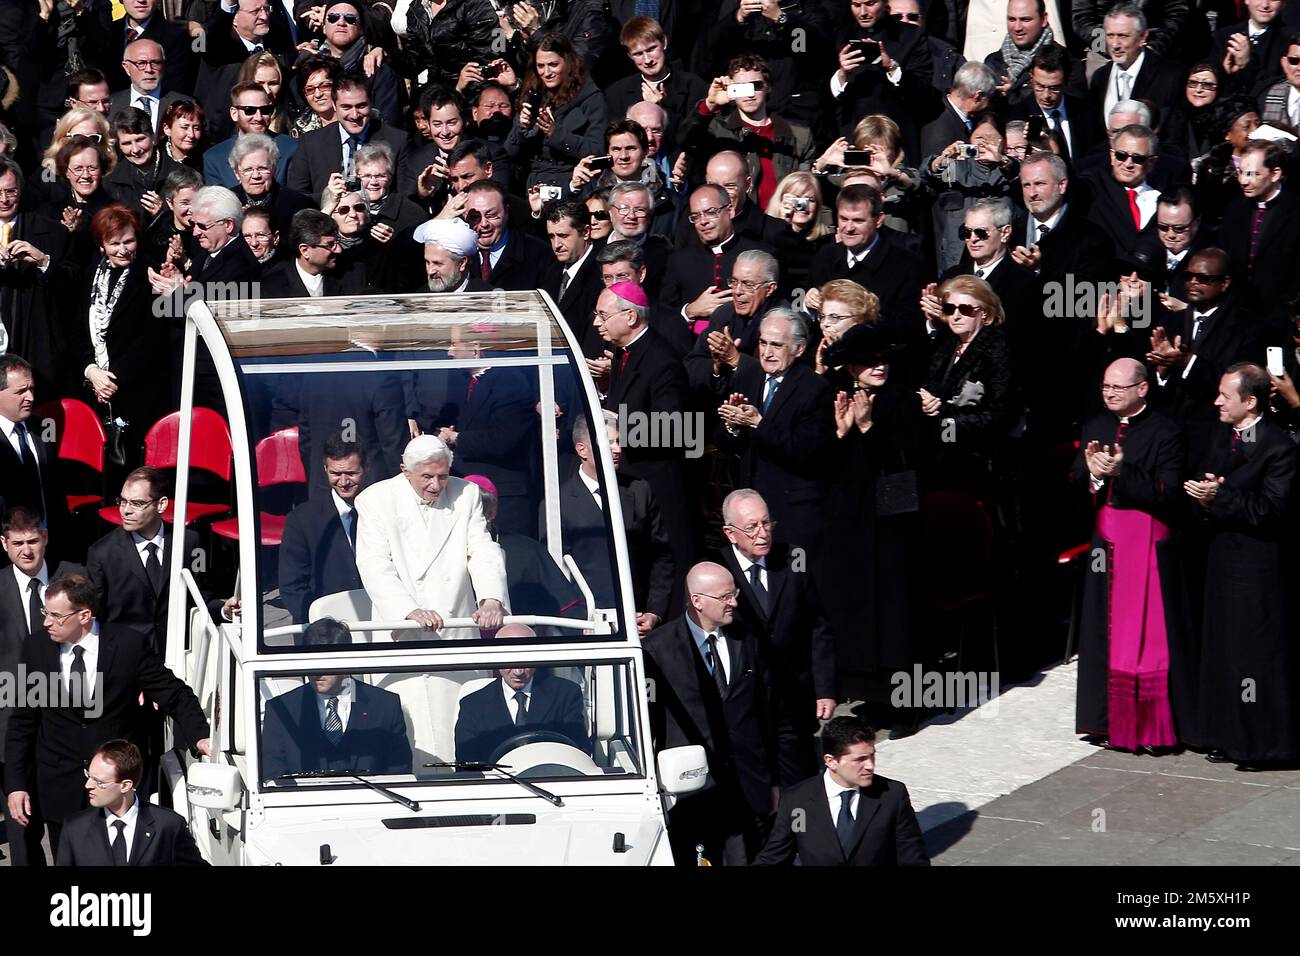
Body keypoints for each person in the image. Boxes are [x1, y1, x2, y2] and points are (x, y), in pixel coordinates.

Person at [4, 574, 210, 860]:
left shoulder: (127, 645)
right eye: (45, 613)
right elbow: (22, 721)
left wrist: (201, 736)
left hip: (117, 786)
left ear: (84, 615)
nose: (46, 622)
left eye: (55, 615)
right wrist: (15, 785)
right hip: (60, 786)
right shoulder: (36, 648)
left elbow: (173, 693)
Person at [1072, 359, 1192, 753]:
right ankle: (1106, 721)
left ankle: (1150, 728)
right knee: (1101, 633)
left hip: (1146, 543)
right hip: (1107, 541)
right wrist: (1092, 474)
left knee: (1148, 636)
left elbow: (1168, 492)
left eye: (1118, 388)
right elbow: (1076, 478)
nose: (1108, 393)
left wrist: (1122, 472)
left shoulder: (1167, 432)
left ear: (1142, 389)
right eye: (1105, 386)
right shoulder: (1096, 425)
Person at [1185, 363, 1300, 769]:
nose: (1216, 401)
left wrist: (1221, 496)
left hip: (1257, 568)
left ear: (1250, 402)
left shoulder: (1279, 449)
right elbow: (1210, 485)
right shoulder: (1221, 438)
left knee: (1254, 656)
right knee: (1222, 652)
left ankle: (1260, 744)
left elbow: (1272, 511)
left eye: (1225, 395)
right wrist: (1201, 497)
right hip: (1221, 560)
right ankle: (1224, 734)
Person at [818, 324, 925, 728]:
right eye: (869, 361)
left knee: (895, 613)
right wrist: (843, 433)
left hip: (894, 521)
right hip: (852, 521)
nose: (879, 367)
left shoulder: (902, 400)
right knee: (859, 610)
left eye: (883, 359)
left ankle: (906, 706)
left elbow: (905, 461)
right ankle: (869, 692)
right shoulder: (835, 397)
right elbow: (823, 462)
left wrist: (868, 429)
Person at [642, 561, 778, 866]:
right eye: (725, 597)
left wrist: (772, 780)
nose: (734, 602)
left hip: (746, 786)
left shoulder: (748, 639)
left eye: (734, 593)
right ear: (697, 601)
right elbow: (649, 723)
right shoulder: (658, 650)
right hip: (691, 789)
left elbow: (765, 715)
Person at [715, 489, 835, 784]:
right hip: (744, 705)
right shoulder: (715, 570)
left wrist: (825, 688)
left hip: (792, 699)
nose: (762, 533)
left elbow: (818, 626)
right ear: (731, 534)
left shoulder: (793, 559)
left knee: (802, 785)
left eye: (767, 523)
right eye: (752, 527)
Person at [354, 434, 508, 638]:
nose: (436, 485)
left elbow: (482, 551)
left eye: (442, 476)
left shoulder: (467, 494)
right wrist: (409, 611)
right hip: (402, 626)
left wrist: (490, 598)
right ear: (406, 471)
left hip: (456, 627)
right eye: (426, 477)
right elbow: (374, 565)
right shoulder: (374, 500)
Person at [0, 506, 84, 866]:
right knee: (22, 830)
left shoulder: (77, 580)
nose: (27, 550)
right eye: (17, 543)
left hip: (66, 721)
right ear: (4, 544)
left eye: (33, 540)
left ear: (46, 538)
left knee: (71, 831)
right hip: (10, 723)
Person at [716, 309, 836, 551]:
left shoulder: (815, 389)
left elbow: (807, 453)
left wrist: (759, 424)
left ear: (799, 349)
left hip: (792, 510)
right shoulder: (749, 376)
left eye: (777, 345)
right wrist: (732, 426)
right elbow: (724, 443)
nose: (767, 352)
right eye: (762, 342)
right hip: (752, 508)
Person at [546, 411, 674, 633]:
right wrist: (579, 621)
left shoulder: (639, 490)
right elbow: (555, 571)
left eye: (618, 441)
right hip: (587, 625)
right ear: (581, 450)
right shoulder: (558, 503)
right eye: (608, 442)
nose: (617, 449)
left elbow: (661, 555)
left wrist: (655, 612)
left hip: (638, 620)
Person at [754, 715, 930, 866]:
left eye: (872, 756)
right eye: (859, 759)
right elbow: (774, 858)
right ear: (831, 761)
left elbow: (913, 859)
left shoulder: (892, 796)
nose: (869, 765)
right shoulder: (798, 803)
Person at [86, 467, 227, 653]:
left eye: (136, 503)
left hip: (178, 654)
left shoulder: (189, 542)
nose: (125, 510)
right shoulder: (102, 553)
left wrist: (225, 610)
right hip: (127, 659)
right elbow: (97, 616)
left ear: (161, 504)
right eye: (122, 501)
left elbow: (202, 597)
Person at [69, 204, 166, 472]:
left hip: (137, 392)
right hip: (96, 388)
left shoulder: (150, 273)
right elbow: (79, 330)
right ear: (102, 245)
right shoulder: (93, 272)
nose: (123, 250)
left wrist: (112, 381)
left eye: (129, 241)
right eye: (114, 243)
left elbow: (152, 340)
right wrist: (92, 372)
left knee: (136, 469)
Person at [260, 618, 413, 781]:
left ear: (346, 660)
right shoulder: (281, 710)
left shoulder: (385, 706)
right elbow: (273, 774)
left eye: (324, 663)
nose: (315, 672)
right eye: (309, 662)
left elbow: (399, 771)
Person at [806, 184, 926, 366]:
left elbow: (907, 325)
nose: (848, 228)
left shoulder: (906, 264)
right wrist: (810, 302)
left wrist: (859, 330)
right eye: (843, 219)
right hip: (827, 365)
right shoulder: (825, 256)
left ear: (878, 220)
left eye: (858, 220)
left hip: (879, 366)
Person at [920, 275, 1017, 498]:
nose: (956, 315)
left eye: (965, 309)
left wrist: (942, 417)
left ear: (984, 312)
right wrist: (926, 403)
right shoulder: (948, 343)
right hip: (942, 452)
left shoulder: (998, 349)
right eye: (950, 308)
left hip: (977, 460)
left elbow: (998, 413)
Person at [680, 53, 818, 210]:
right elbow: (684, 140)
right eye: (741, 88)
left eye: (756, 86)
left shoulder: (799, 136)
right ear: (731, 89)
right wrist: (709, 104)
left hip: (783, 224)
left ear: (768, 87)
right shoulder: (717, 130)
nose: (749, 93)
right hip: (737, 222)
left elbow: (807, 189)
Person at [56, 740, 207, 866]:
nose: (88, 785)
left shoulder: (168, 826)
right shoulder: (75, 829)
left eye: (99, 781)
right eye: (89, 776)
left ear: (125, 785)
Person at [277, 435, 366, 626]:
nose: (343, 482)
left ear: (365, 468)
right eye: (335, 474)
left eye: (351, 473)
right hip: (325, 626)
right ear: (325, 469)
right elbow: (292, 586)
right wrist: (319, 626)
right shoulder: (302, 520)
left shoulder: (382, 508)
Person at [455, 640, 590, 764]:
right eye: (510, 662)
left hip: (549, 780)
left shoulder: (565, 694)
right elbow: (467, 765)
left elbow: (579, 751)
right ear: (495, 658)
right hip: (495, 786)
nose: (518, 671)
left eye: (525, 661)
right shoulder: (473, 704)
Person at [504, 33, 609, 192]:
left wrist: (555, 133)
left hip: (573, 183)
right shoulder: (532, 94)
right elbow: (511, 153)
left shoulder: (591, 98)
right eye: (540, 66)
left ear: (568, 63)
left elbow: (596, 152)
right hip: (535, 186)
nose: (547, 73)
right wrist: (521, 127)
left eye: (553, 64)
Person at [287, 73, 412, 201]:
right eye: (346, 107)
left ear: (371, 103)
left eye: (361, 106)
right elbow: (297, 197)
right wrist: (328, 198)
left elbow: (404, 196)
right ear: (334, 105)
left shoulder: (397, 141)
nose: (354, 115)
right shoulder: (311, 143)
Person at [660, 183, 771, 322]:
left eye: (711, 212)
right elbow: (664, 312)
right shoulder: (679, 260)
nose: (703, 221)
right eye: (696, 216)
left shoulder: (761, 254)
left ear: (730, 211)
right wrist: (690, 310)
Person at [1219, 140, 1300, 318]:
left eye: (1253, 174)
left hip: (1279, 312)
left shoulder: (1295, 211)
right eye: (1241, 173)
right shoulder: (1235, 209)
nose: (1243, 181)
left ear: (1275, 174)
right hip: (1235, 310)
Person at [603, 16, 707, 152]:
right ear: (629, 56)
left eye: (651, 49)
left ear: (664, 42)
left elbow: (693, 138)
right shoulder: (617, 93)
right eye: (638, 54)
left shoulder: (693, 85)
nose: (647, 60)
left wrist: (663, 108)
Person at [1086, 4, 1184, 127]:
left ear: (1142, 37)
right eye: (1110, 35)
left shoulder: (1170, 76)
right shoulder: (1100, 77)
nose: (1115, 44)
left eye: (1123, 36)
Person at [464, 180, 560, 293]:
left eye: (491, 215)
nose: (484, 224)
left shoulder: (540, 255)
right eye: (474, 217)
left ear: (507, 212)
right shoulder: (455, 254)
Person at [1080, 124, 1161, 255]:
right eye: (1121, 155)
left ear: (1151, 163)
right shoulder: (1093, 186)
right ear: (1112, 156)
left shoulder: (1159, 200)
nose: (1128, 164)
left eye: (1137, 158)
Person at [1008, 44, 1097, 163]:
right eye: (1039, 86)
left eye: (1054, 88)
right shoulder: (1018, 115)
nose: (1046, 95)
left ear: (1066, 81)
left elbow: (1097, 155)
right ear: (1031, 77)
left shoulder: (1086, 112)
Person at [203, 81, 298, 189]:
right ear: (234, 113)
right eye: (250, 110)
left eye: (265, 110)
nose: (259, 117)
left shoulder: (292, 148)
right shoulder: (215, 157)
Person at [259, 208, 364, 298]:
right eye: (330, 245)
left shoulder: (353, 274)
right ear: (305, 250)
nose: (338, 249)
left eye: (337, 242)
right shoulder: (270, 284)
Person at [546, 198, 604, 356]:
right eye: (551, 236)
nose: (556, 244)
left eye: (563, 235)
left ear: (585, 232)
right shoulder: (549, 270)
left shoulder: (603, 273)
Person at [108, 38, 192, 140]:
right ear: (126, 67)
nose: (149, 70)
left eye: (155, 63)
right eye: (141, 63)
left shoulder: (184, 104)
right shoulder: (110, 105)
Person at [229, 133, 311, 234]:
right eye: (248, 170)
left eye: (262, 168)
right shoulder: (227, 203)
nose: (256, 176)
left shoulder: (296, 204)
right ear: (237, 173)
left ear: (274, 170)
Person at [983, 0, 1058, 107]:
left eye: (1025, 20)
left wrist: (1014, 94)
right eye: (1012, 19)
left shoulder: (1064, 62)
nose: (1017, 27)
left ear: (1044, 19)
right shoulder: (993, 63)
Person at [414, 217, 489, 293]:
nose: (430, 271)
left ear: (462, 263)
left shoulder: (486, 298)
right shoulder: (418, 299)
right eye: (427, 262)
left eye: (437, 263)